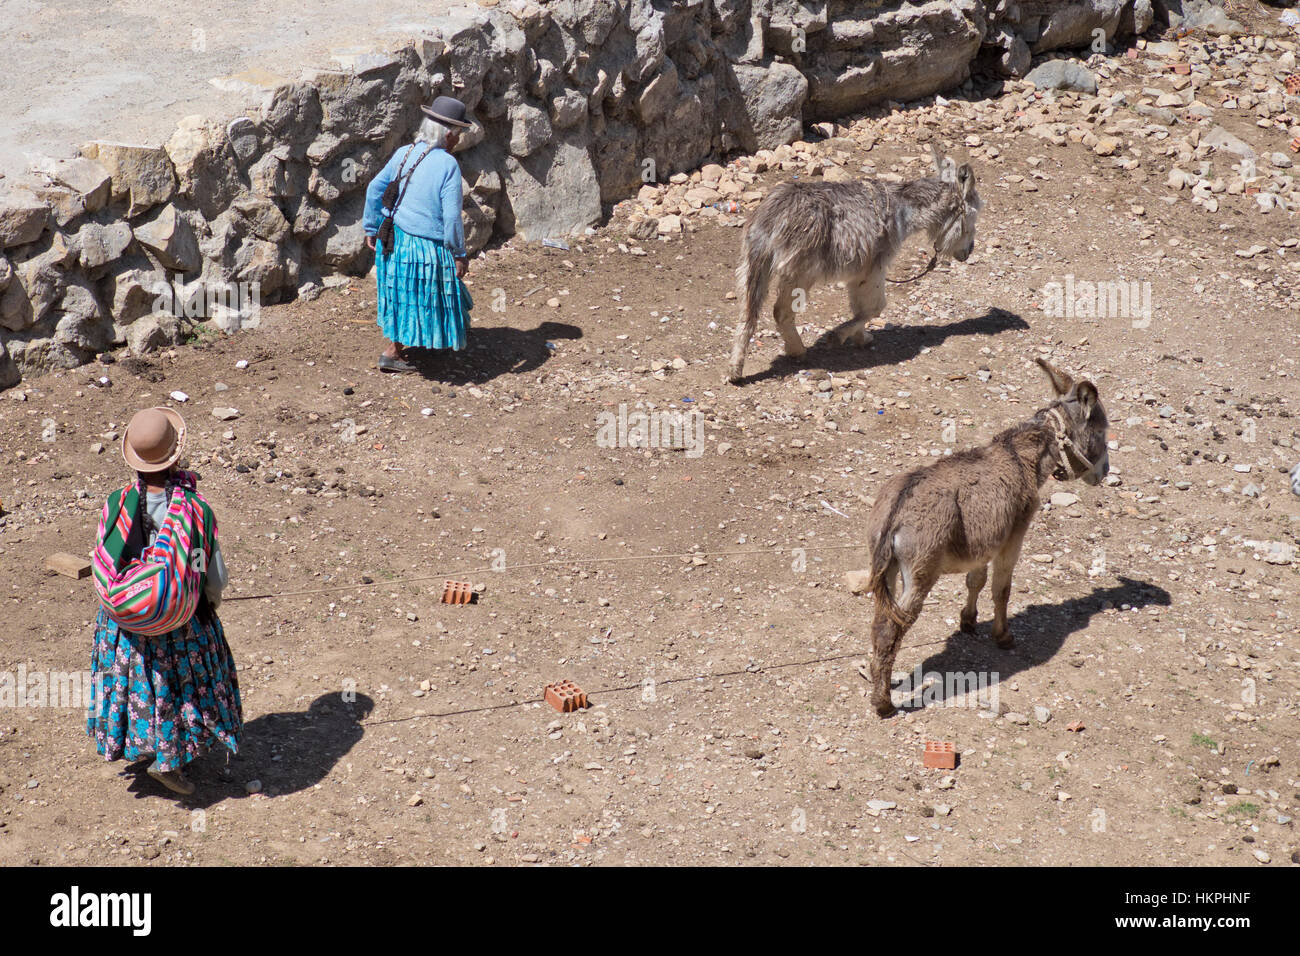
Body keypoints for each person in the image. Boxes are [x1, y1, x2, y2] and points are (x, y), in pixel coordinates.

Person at [87, 407, 242, 796]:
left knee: (141, 682)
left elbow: (105, 556)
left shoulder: (117, 503)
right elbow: (212, 575)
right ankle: (170, 761)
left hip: (125, 623)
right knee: (177, 687)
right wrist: (206, 603)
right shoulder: (194, 512)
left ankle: (139, 744)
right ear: (177, 455)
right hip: (180, 622)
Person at [363, 95, 476, 374]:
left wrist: (371, 225)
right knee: (428, 293)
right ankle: (393, 352)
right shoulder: (447, 164)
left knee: (402, 294)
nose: (459, 140)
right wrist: (459, 253)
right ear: (448, 134)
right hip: (422, 247)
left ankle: (403, 347)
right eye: (459, 133)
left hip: (392, 239)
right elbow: (451, 217)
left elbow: (374, 189)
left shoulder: (405, 152)